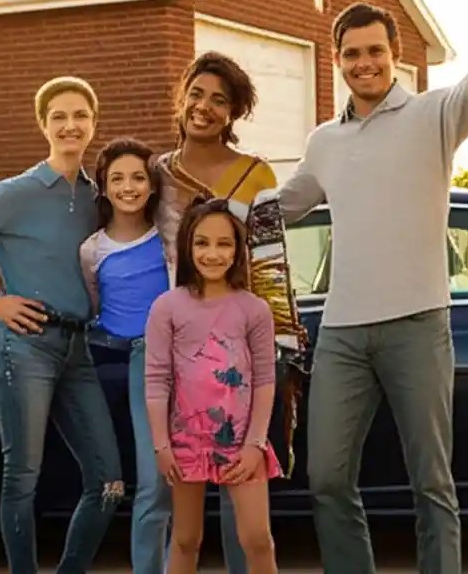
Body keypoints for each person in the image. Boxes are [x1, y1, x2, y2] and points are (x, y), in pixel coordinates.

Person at [278, 1, 468, 574]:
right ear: (337, 60)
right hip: (341, 333)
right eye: (353, 54)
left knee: (431, 481)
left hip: (418, 325)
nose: (365, 63)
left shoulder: (434, 115)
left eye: (375, 51)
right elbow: (282, 206)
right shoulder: (324, 141)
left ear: (395, 55)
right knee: (328, 479)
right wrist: (206, 206)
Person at [0, 75, 123, 574]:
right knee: (22, 477)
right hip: (24, 350)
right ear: (43, 125)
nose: (70, 125)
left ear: (93, 123)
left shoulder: (97, 197)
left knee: (108, 481)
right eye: (58, 116)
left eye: (80, 115)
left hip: (78, 349)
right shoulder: (16, 192)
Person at [153, 51, 310, 573]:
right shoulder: (158, 174)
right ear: (182, 97)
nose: (204, 107)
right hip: (172, 343)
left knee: (248, 519)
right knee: (180, 520)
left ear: (234, 112)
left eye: (220, 100)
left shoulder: (252, 175)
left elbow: (269, 265)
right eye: (197, 94)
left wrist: (281, 352)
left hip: (240, 348)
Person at [144, 198, 283, 574]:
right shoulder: (166, 308)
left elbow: (265, 380)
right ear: (188, 246)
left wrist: (255, 444)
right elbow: (156, 380)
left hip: (241, 444)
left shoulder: (254, 309)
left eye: (224, 244)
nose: (212, 253)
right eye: (202, 243)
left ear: (238, 250)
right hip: (185, 443)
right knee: (186, 539)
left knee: (257, 539)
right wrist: (161, 445)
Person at [77, 137, 175, 574]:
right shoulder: (93, 250)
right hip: (127, 363)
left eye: (138, 177)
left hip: (177, 360)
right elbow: (95, 306)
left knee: (174, 480)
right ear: (104, 187)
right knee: (150, 482)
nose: (129, 187)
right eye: (117, 178)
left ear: (152, 185)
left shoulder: (170, 238)